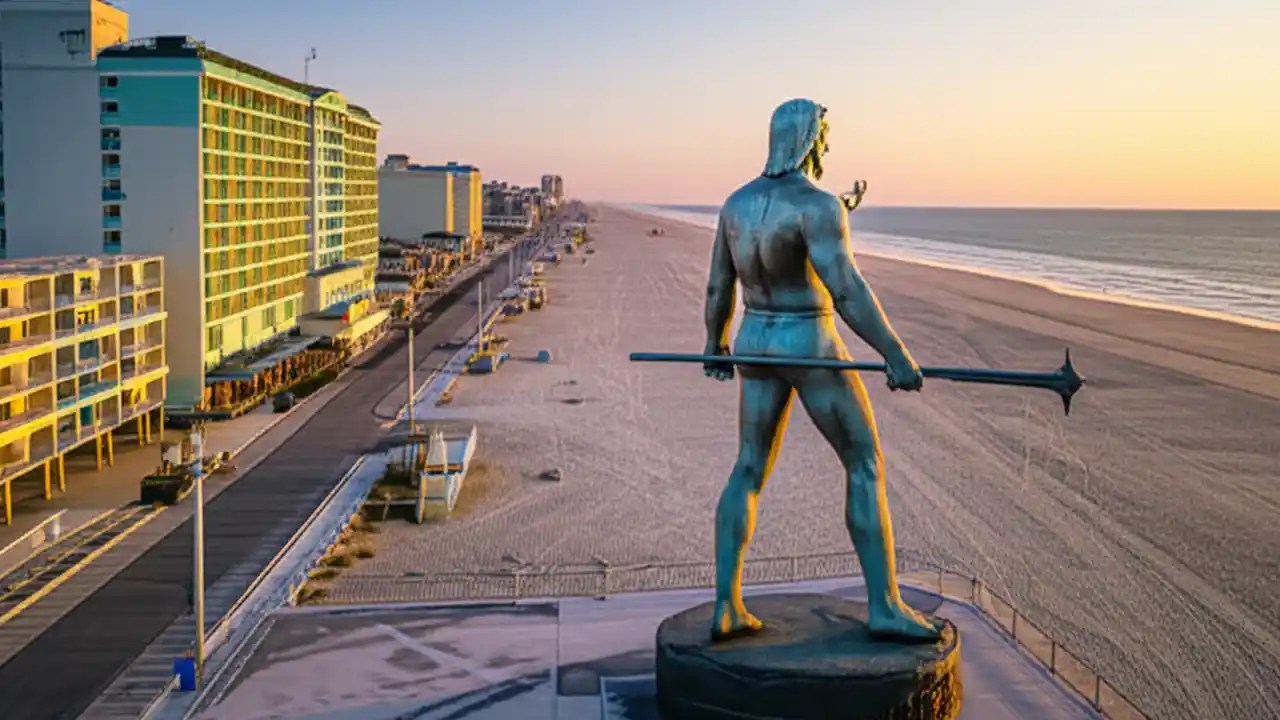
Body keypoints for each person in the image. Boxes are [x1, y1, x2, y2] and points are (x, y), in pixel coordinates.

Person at [703, 98, 940, 643]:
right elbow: (848, 289)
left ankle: (726, 605)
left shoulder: (736, 205)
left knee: (747, 469)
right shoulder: (818, 206)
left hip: (754, 340)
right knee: (864, 464)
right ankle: (883, 605)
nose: (827, 146)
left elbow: (720, 285)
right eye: (824, 135)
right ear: (810, 138)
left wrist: (714, 343)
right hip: (807, 339)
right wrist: (895, 352)